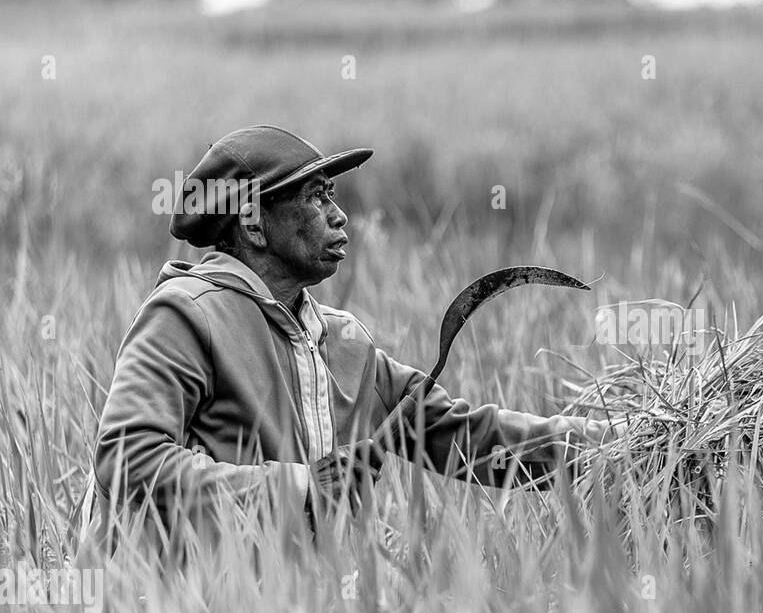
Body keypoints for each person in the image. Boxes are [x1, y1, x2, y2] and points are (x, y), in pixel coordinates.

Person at [81, 124, 609, 555]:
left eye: (333, 194)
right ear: (254, 225)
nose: (340, 216)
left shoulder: (342, 341)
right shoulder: (186, 316)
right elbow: (129, 457)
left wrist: (624, 446)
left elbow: (464, 436)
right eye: (316, 198)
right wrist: (301, 489)